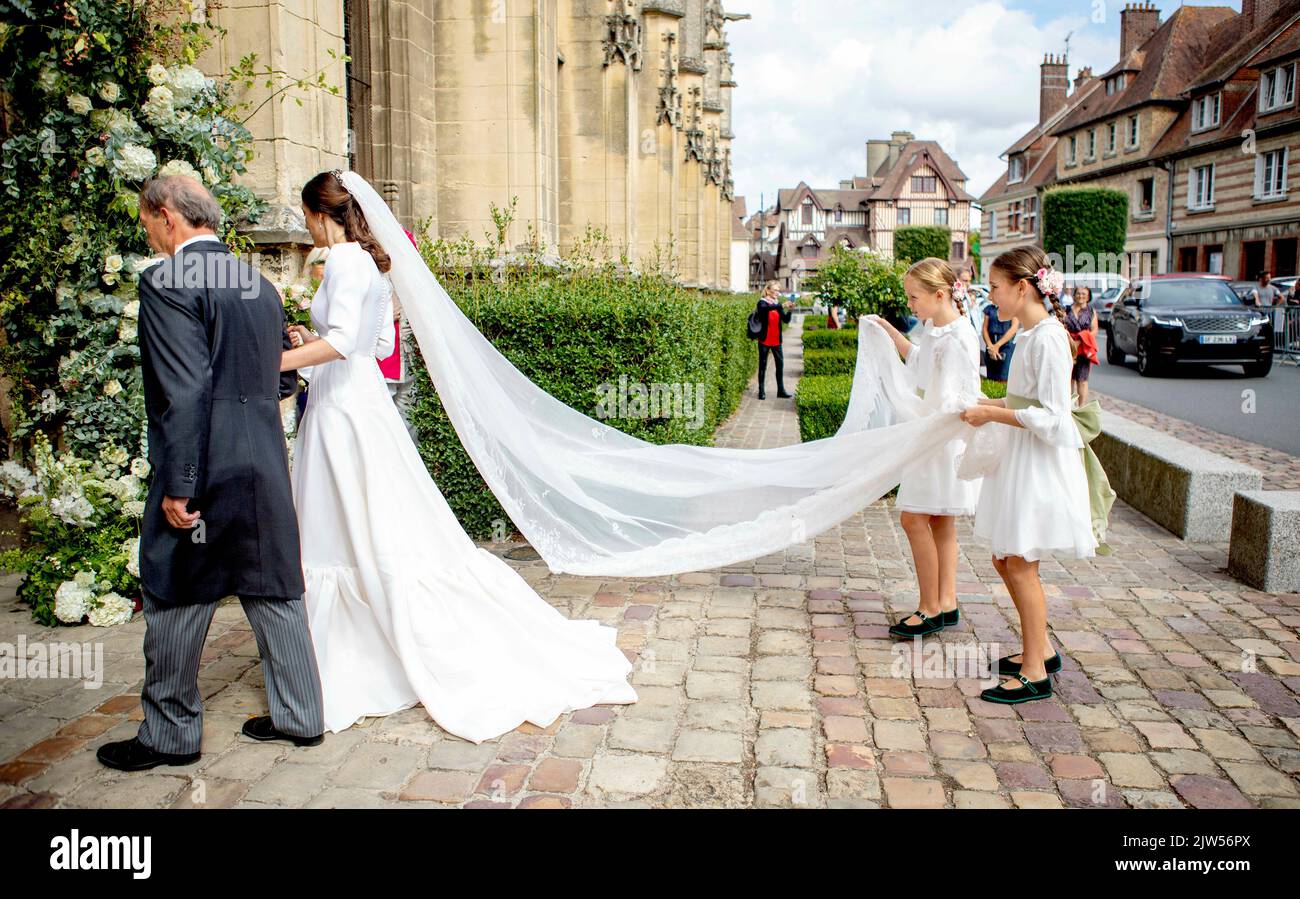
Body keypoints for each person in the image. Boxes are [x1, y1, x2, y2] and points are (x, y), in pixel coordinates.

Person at [280, 171, 636, 743]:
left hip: (343, 412)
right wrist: (309, 346)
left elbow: (347, 343)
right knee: (374, 523)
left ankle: (344, 650)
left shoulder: (343, 262)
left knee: (338, 526)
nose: (304, 225)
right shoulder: (371, 265)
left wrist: (278, 360)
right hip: (360, 404)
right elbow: (380, 345)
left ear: (319, 212)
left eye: (304, 214)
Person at [98, 175, 325, 771]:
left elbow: (184, 388)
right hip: (263, 459)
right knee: (272, 580)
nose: (148, 233)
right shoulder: (259, 283)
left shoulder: (167, 280)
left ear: (168, 217)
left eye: (147, 222)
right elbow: (281, 376)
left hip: (203, 464)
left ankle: (171, 734)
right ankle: (300, 715)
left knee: (174, 586)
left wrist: (179, 482)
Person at [960, 247, 1108, 704]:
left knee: (1020, 562)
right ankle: (1039, 649)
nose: (992, 296)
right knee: (1006, 559)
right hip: (1021, 457)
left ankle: (1034, 673)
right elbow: (1024, 401)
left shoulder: (1046, 339)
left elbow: (1053, 419)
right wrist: (989, 405)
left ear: (1022, 288)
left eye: (997, 287)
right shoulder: (1030, 334)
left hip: (1038, 464)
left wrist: (991, 417)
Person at [864, 258, 981, 639]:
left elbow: (959, 400)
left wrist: (919, 432)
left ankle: (929, 606)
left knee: (914, 518)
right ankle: (946, 601)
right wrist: (889, 332)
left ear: (941, 294)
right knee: (940, 520)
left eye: (914, 298)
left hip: (942, 441)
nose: (911, 305)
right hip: (934, 436)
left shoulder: (961, 338)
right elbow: (919, 363)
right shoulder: (935, 329)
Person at [755, 280, 794, 399]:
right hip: (764, 340)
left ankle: (781, 390)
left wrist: (790, 310)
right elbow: (765, 310)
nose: (777, 293)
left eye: (778, 290)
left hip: (776, 340)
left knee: (780, 365)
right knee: (763, 365)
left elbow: (785, 320)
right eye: (775, 290)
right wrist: (781, 305)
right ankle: (761, 391)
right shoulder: (762, 303)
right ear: (768, 290)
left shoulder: (777, 304)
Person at [1064, 285, 1099, 406]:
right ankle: (1068, 406)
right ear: (1074, 295)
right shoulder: (1067, 310)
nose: (1081, 296)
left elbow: (1094, 330)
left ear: (1088, 296)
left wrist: (1082, 339)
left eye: (1084, 294)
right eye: (1078, 293)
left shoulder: (1091, 311)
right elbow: (1062, 327)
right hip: (1069, 348)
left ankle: (1081, 406)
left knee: (1082, 380)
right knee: (1069, 379)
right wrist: (1070, 340)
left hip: (1083, 349)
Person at [982, 293, 1019, 382]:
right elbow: (984, 329)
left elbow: (1014, 328)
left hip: (1006, 345)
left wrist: (997, 345)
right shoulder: (989, 309)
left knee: (1004, 377)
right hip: (990, 344)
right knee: (991, 378)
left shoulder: (1012, 308)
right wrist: (990, 346)